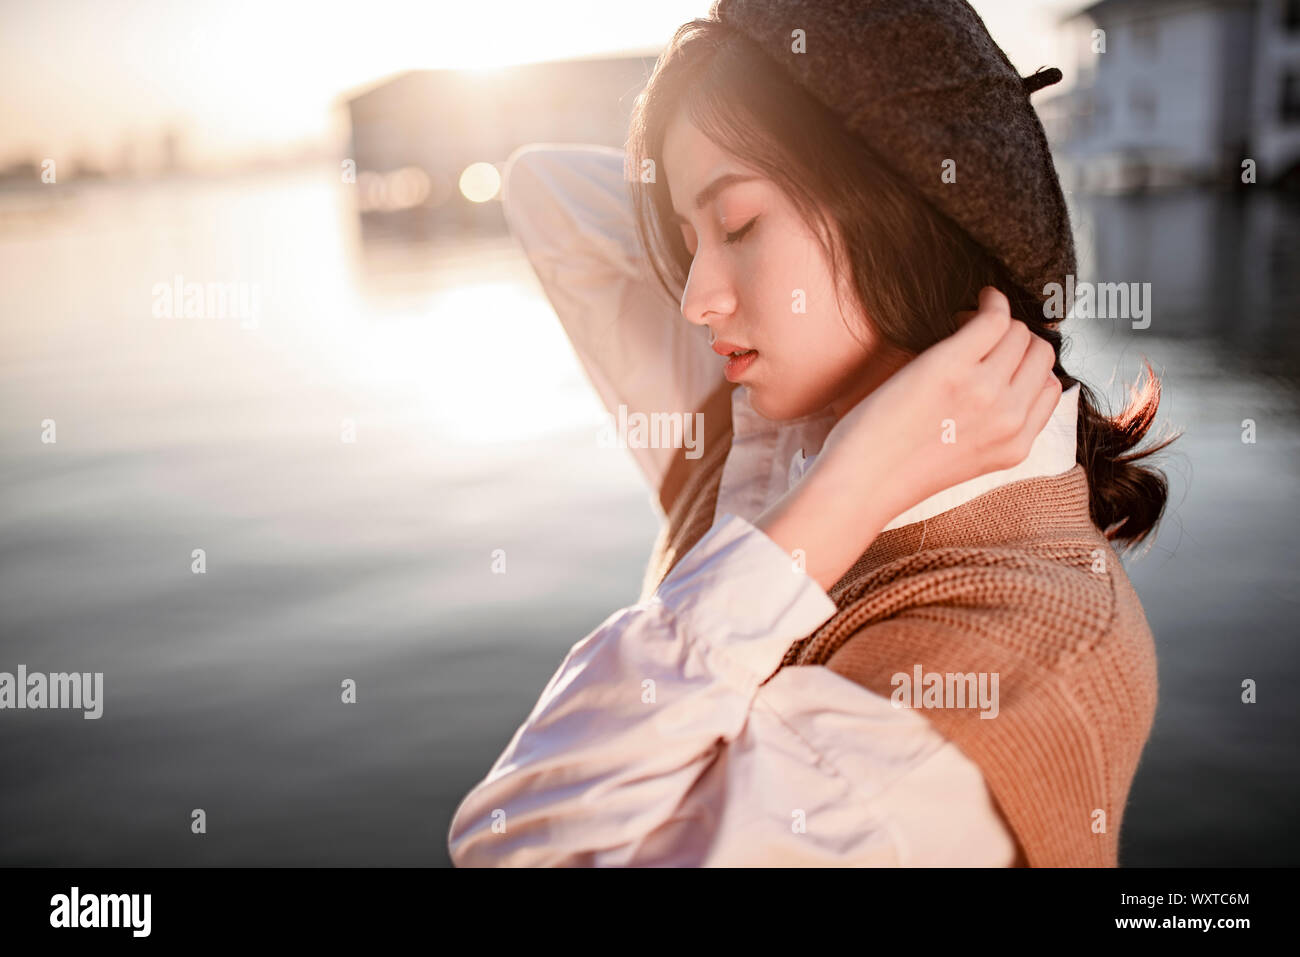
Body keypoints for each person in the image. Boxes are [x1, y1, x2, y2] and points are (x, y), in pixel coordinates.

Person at [447, 0, 1178, 867]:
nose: (693, 299)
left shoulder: (1009, 662)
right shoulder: (758, 425)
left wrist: (851, 489)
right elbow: (544, 189)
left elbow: (521, 847)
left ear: (899, 205)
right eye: (686, 245)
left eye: (741, 225)